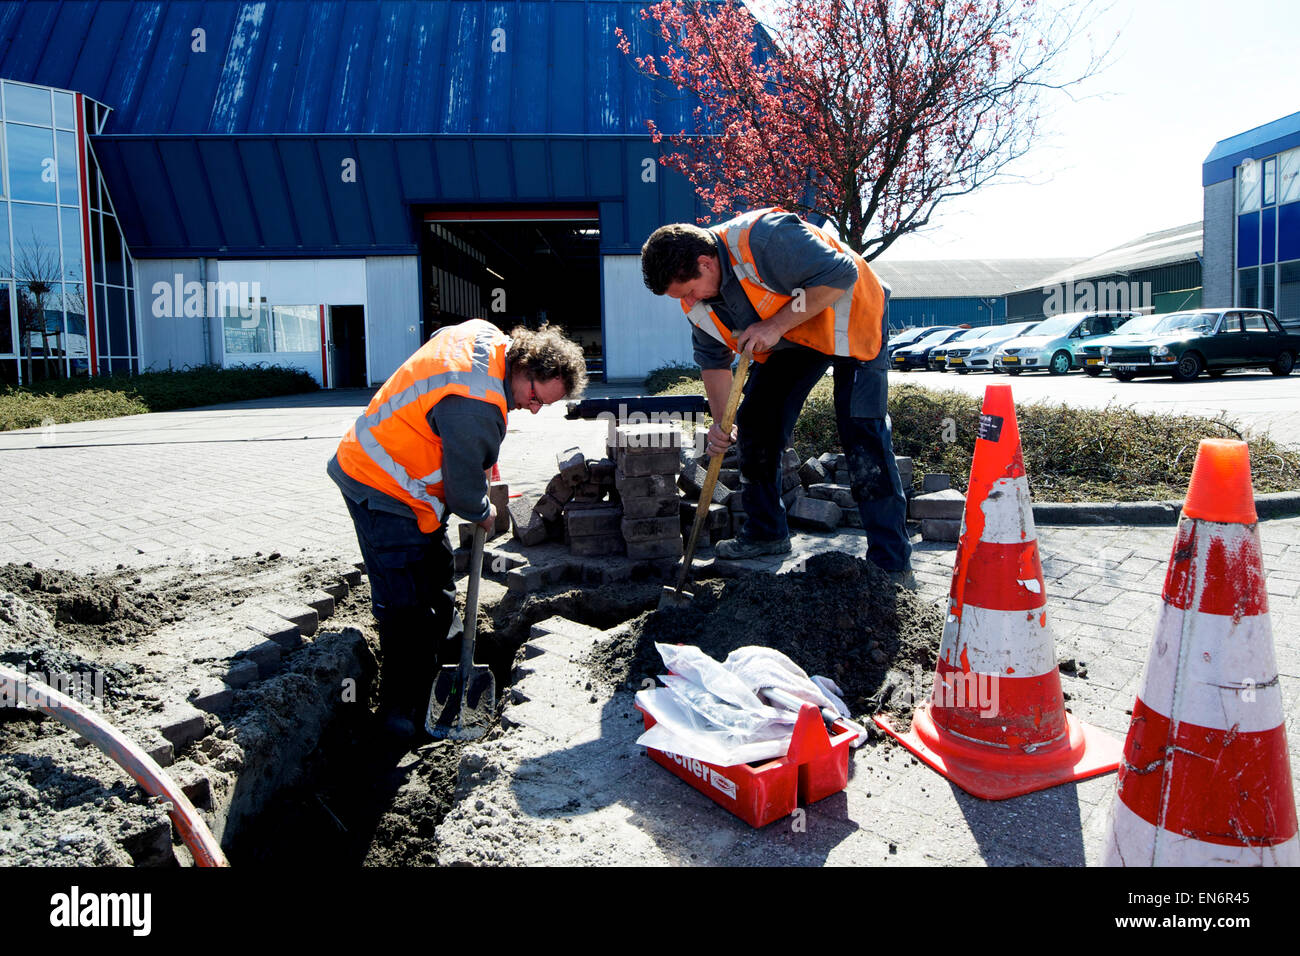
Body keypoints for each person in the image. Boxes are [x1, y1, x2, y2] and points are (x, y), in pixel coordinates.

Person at [328, 319, 588, 738]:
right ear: (525, 368)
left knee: (437, 575)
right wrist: (485, 512)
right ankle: (401, 707)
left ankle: (449, 660)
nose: (534, 408)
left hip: (413, 490)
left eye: (544, 405)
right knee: (402, 602)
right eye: (535, 397)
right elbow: (467, 497)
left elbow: (439, 341)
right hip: (378, 482)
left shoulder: (486, 335)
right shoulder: (478, 404)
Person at [640, 208, 913, 584]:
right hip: (795, 339)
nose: (688, 300)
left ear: (705, 262)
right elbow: (714, 362)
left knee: (862, 431)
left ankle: (891, 559)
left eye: (688, 290)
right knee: (756, 422)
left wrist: (775, 324)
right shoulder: (695, 302)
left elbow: (842, 273)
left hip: (852, 319)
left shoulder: (763, 239)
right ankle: (766, 533)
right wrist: (723, 423)